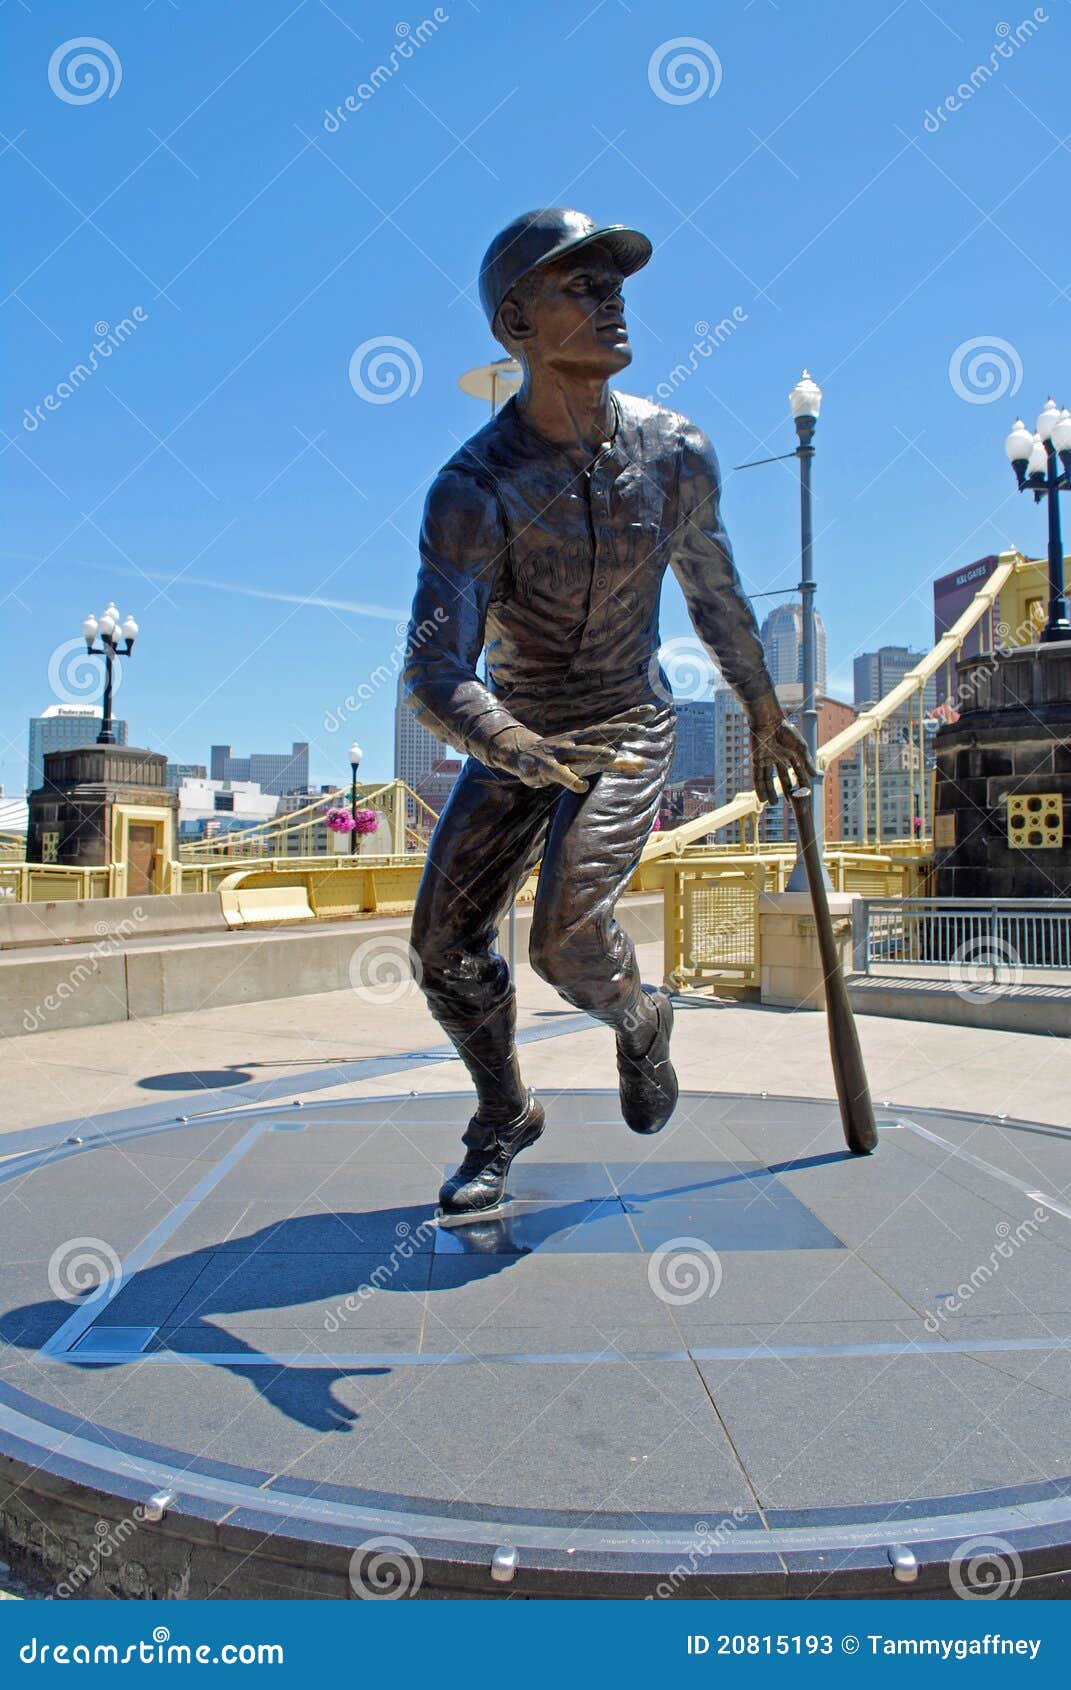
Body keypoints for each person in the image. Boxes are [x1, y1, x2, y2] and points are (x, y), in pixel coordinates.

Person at [402, 208, 813, 1219]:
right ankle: (504, 1113)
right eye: (578, 287)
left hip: (628, 726)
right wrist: (509, 741)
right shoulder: (473, 488)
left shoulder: (676, 454)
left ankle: (640, 1020)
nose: (611, 297)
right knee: (441, 948)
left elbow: (716, 594)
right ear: (517, 326)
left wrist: (762, 710)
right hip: (519, 732)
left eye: (614, 281)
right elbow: (434, 667)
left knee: (565, 937)